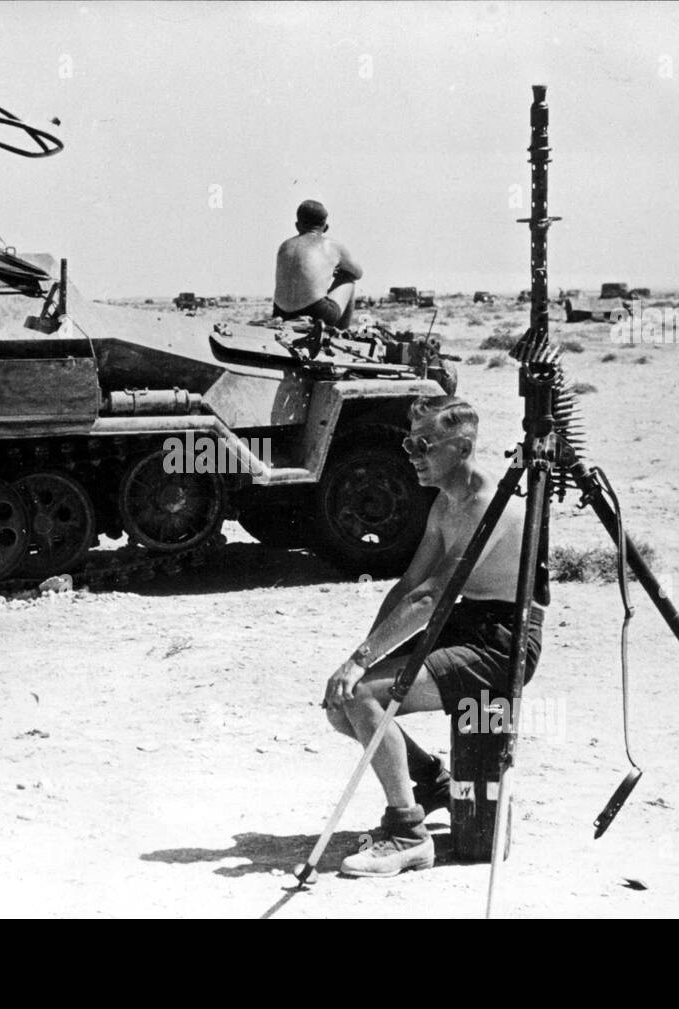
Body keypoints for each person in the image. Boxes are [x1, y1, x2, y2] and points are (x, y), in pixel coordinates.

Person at [321, 395, 545, 877]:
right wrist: (365, 654)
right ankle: (433, 783)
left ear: (461, 447)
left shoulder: (489, 505)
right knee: (345, 705)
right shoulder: (447, 502)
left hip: (502, 642)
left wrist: (360, 664)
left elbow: (432, 597)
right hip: (465, 624)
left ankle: (408, 835)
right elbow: (409, 585)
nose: (413, 456)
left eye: (425, 445)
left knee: (363, 696)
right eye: (408, 443)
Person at [273, 200, 363, 330]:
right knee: (348, 278)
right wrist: (337, 269)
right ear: (325, 228)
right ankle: (341, 333)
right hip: (317, 313)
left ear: (297, 225)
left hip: (281, 314)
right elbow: (358, 273)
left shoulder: (284, 246)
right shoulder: (331, 245)